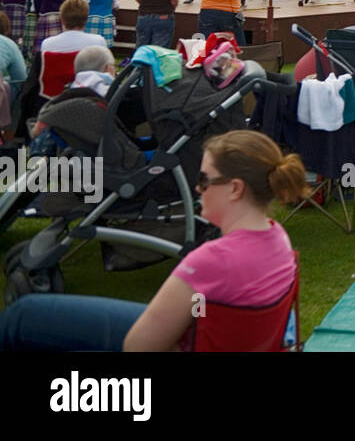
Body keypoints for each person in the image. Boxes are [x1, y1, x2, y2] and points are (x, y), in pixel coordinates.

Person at [0, 130, 308, 351]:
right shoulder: (278, 238)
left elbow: (139, 346)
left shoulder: (209, 262)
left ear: (235, 189)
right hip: (213, 334)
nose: (197, 189)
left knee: (21, 316)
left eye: (203, 180)